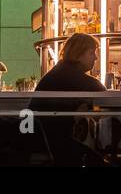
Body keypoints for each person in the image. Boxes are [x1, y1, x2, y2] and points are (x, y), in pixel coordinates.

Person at [33, 32, 107, 166]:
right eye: (91, 53)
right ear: (79, 54)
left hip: (39, 137)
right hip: (52, 142)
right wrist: (91, 109)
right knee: (99, 162)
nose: (96, 57)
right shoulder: (78, 78)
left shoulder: (58, 72)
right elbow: (104, 100)